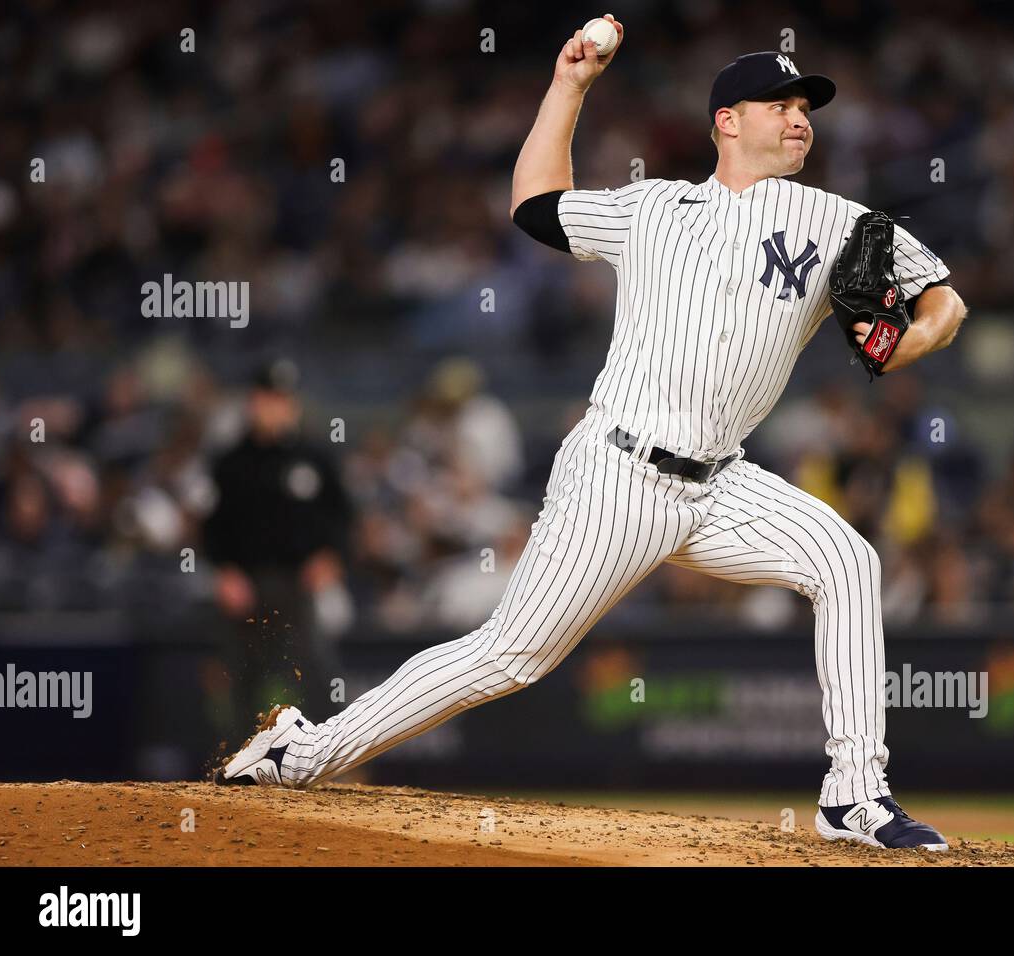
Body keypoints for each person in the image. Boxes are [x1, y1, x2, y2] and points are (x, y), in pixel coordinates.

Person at [216, 18, 968, 851]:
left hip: (721, 482)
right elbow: (534, 205)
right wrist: (570, 85)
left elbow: (943, 299)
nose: (800, 119)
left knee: (849, 562)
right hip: (619, 474)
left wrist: (912, 338)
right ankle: (303, 748)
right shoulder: (655, 208)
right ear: (727, 120)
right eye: (779, 104)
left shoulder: (841, 222)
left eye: (806, 107)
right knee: (509, 657)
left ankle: (855, 796)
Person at [203, 358, 353, 725]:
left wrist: (331, 556)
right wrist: (223, 572)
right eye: (269, 398)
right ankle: (235, 760)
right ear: (253, 402)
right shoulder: (230, 463)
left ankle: (332, 757)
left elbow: (343, 517)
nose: (276, 408)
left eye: (284, 399)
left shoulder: (315, 458)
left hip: (300, 586)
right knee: (240, 676)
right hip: (246, 587)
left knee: (317, 673)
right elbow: (212, 526)